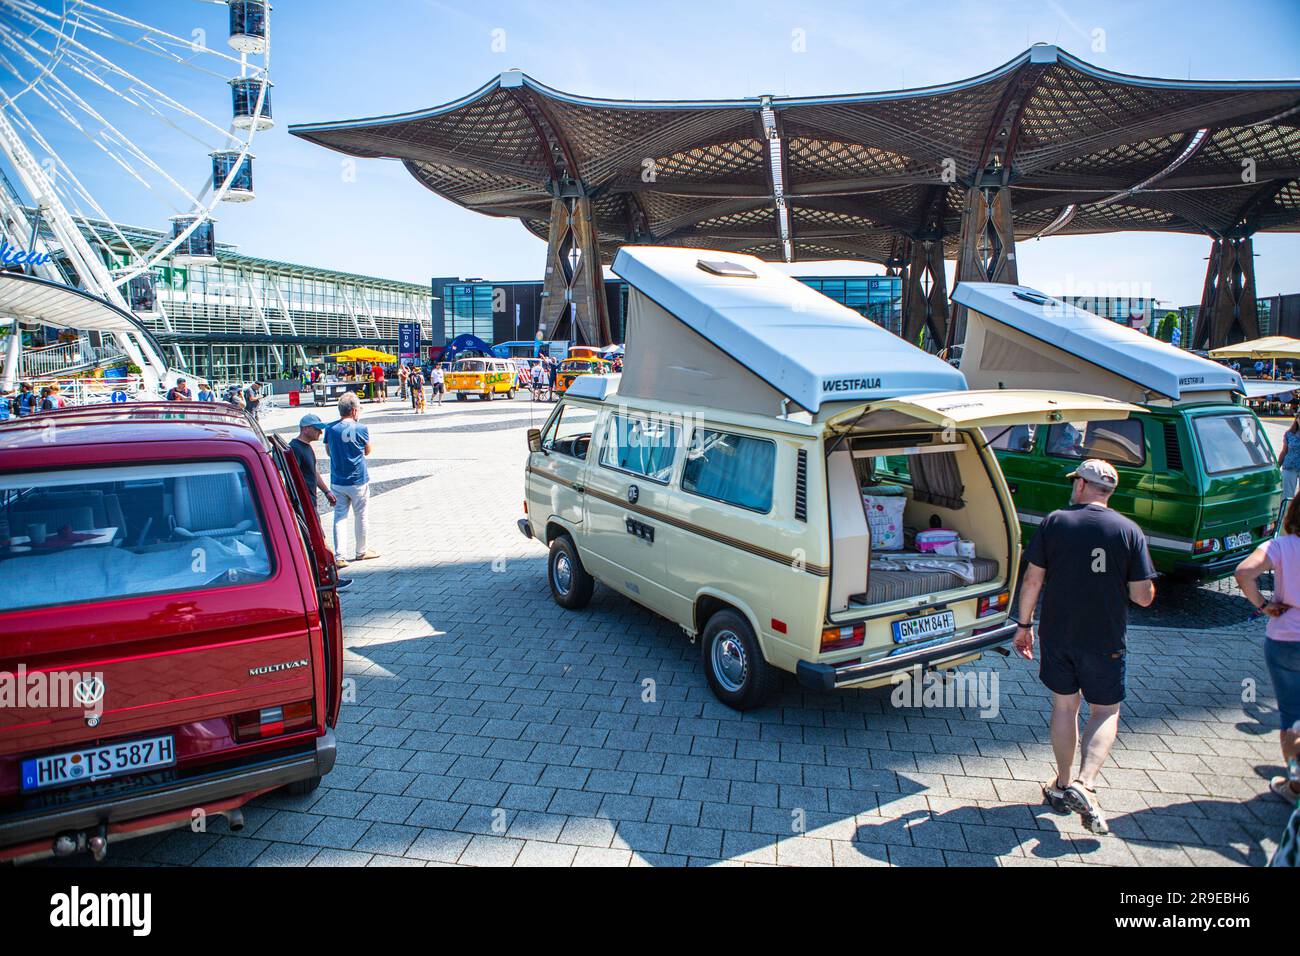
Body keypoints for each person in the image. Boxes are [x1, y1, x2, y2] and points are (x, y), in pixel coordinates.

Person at [1012, 459, 1157, 835]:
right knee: (1106, 710)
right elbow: (1142, 597)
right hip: (1105, 637)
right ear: (1108, 491)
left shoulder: (1055, 522)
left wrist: (1024, 625)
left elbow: (1032, 579)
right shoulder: (1129, 530)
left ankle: (1062, 785)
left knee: (1065, 706)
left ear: (1080, 485)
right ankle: (1085, 782)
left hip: (1058, 633)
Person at [1234, 499, 1300, 804]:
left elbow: (1244, 572)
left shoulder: (1282, 546)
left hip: (1286, 637)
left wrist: (1263, 605)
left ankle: (1296, 785)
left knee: (1291, 714)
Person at [324, 391, 378, 568]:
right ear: (354, 411)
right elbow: (367, 450)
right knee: (361, 515)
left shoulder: (330, 429)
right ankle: (361, 551)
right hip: (358, 478)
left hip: (338, 479)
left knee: (339, 516)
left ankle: (340, 555)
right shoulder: (361, 428)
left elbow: (328, 452)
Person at [1278, 413, 1300, 503]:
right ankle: (1285, 515)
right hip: (1289, 467)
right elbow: (1284, 451)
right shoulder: (1289, 434)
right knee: (1286, 497)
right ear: (1297, 419)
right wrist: (1277, 466)